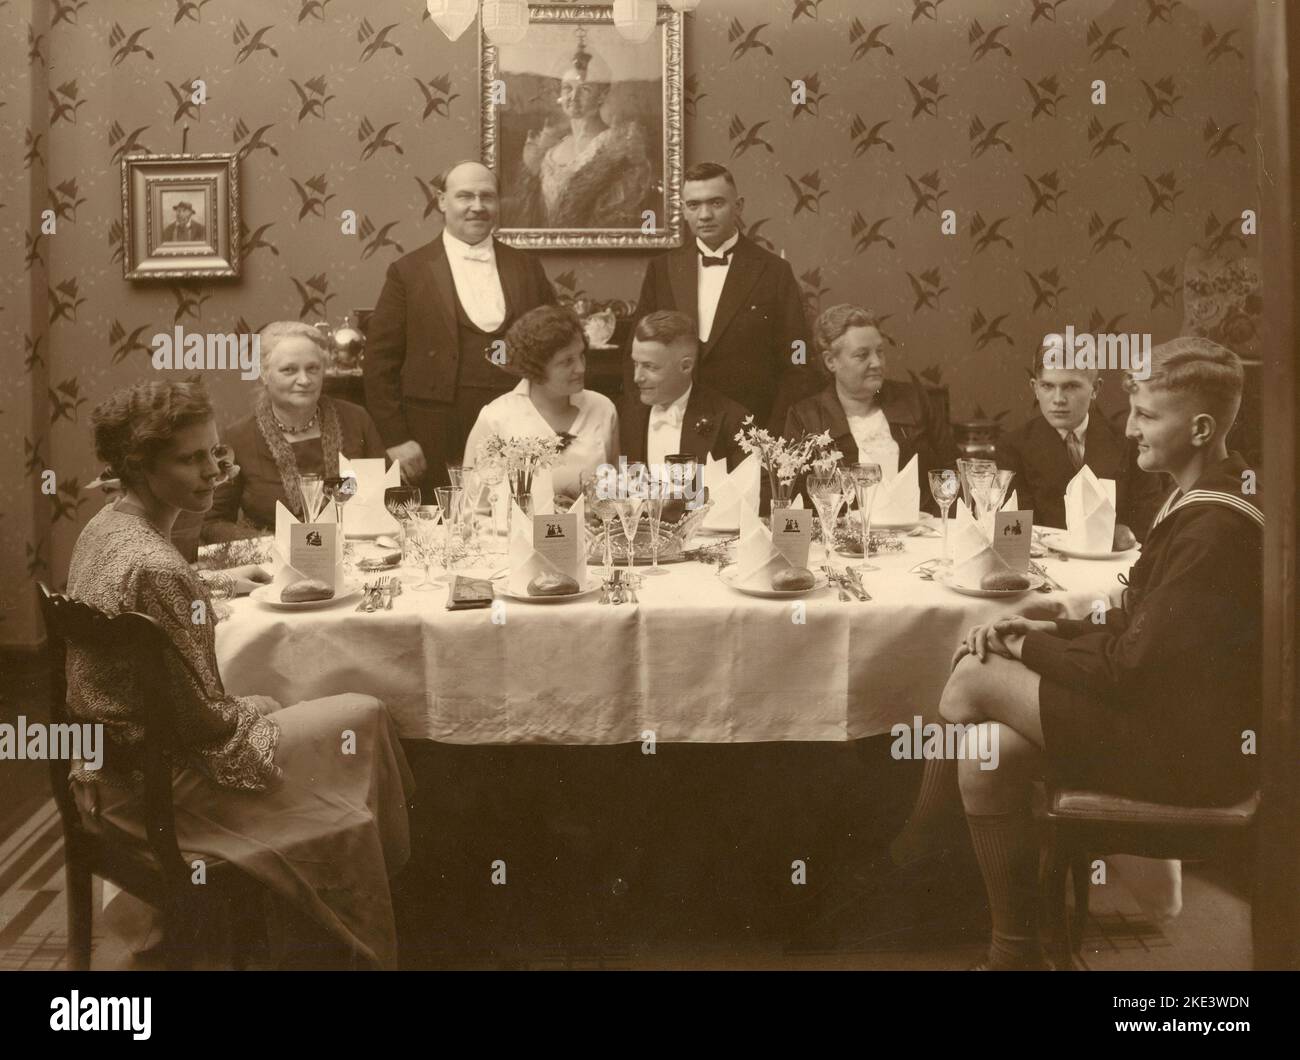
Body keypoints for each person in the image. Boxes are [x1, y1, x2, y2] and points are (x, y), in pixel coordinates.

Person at [893, 337, 1262, 971]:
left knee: (973, 675)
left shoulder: (1213, 526)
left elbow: (1128, 667)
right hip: (1169, 722)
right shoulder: (1202, 495)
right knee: (986, 753)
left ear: (1201, 429)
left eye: (1146, 415)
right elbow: (1139, 628)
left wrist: (1028, 643)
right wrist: (1053, 625)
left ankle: (907, 855)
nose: (1131, 428)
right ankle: (1015, 953)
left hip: (1191, 753)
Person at [66, 379, 414, 969]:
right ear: (140, 465)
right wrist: (260, 709)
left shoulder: (105, 527)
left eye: (214, 453)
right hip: (161, 789)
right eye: (190, 459)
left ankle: (353, 868)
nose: (212, 472)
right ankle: (364, 892)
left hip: (106, 771)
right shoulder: (157, 566)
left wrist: (214, 584)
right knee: (366, 714)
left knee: (328, 717)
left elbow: (147, 601)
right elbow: (206, 727)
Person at [363, 161, 556, 495]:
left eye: (487, 197)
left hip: (517, 425)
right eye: (465, 196)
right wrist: (396, 438)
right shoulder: (408, 272)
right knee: (443, 518)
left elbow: (556, 346)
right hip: (434, 431)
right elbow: (379, 362)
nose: (477, 206)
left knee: (520, 513)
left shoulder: (527, 267)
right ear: (442, 200)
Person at [628, 162, 811, 428]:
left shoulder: (774, 271)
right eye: (694, 205)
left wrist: (776, 432)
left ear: (738, 206)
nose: (704, 215)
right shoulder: (662, 269)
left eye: (716, 203)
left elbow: (798, 358)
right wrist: (640, 427)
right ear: (683, 210)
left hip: (752, 427)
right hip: (674, 425)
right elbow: (634, 356)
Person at [202, 322, 387, 541]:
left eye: (312, 368)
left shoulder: (356, 420)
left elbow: (386, 500)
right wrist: (273, 544)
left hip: (354, 553)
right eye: (289, 370)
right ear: (264, 374)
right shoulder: (238, 437)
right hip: (271, 557)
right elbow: (213, 522)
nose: (304, 380)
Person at [782, 304, 955, 514]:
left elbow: (950, 470)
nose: (876, 363)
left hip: (921, 528)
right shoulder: (805, 417)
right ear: (831, 361)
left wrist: (939, 521)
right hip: (844, 532)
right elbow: (794, 499)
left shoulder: (914, 400)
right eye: (862, 355)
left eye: (879, 352)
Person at [996, 335, 1163, 540]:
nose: (1058, 399)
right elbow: (1014, 532)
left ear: (1095, 389)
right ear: (1035, 388)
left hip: (1112, 559)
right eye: (1047, 386)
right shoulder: (1013, 447)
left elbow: (1150, 523)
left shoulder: (1128, 443)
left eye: (1071, 386)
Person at [462, 305, 617, 504]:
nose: (580, 368)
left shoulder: (603, 409)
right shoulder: (496, 418)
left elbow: (615, 498)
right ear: (536, 368)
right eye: (567, 361)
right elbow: (473, 508)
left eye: (581, 355)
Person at [506, 35, 653, 229]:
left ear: (602, 95)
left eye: (585, 89)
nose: (573, 97)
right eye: (567, 88)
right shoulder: (551, 150)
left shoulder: (618, 150)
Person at [619, 310, 750, 473]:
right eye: (635, 364)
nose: (637, 377)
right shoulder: (626, 413)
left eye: (649, 367)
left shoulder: (730, 420)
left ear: (686, 366)